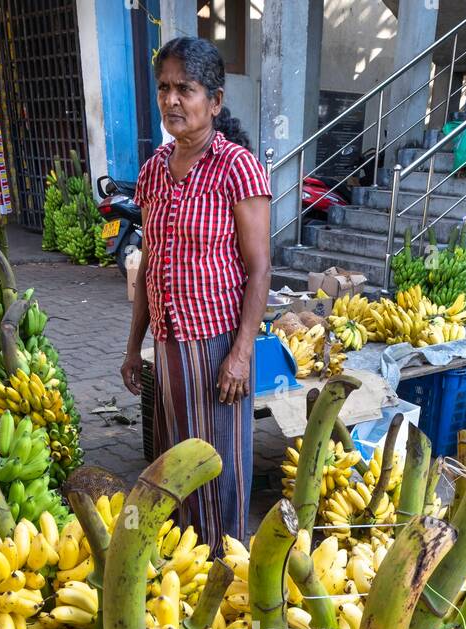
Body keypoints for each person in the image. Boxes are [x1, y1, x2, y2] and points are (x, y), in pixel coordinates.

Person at [121, 37, 272, 552]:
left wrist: (241, 353)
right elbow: (150, 267)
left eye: (185, 88)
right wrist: (131, 346)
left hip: (217, 347)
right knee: (175, 461)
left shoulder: (237, 168)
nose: (171, 100)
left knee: (220, 467)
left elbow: (259, 268)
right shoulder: (153, 171)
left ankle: (225, 564)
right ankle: (185, 557)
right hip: (168, 345)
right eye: (164, 88)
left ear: (215, 100)